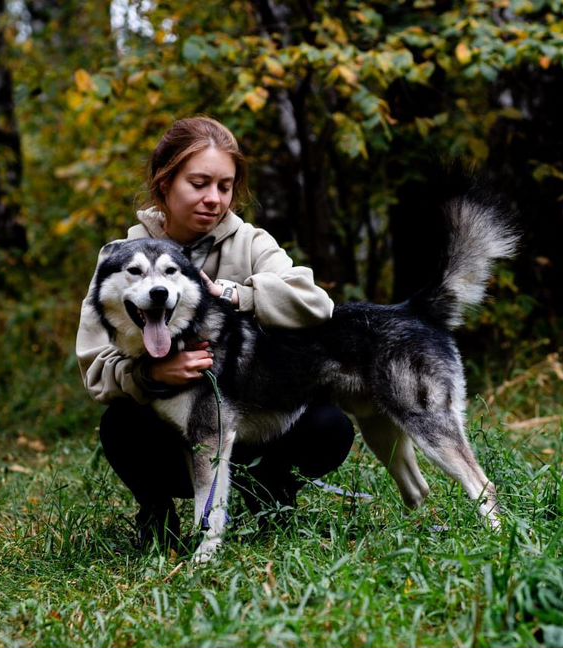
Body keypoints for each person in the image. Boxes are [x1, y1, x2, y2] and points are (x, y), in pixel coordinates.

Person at [75, 116, 355, 549]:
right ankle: (158, 514)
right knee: (120, 424)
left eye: (224, 187)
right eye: (199, 183)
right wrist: (151, 376)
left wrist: (232, 293)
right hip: (170, 433)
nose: (213, 199)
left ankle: (270, 498)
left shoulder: (250, 242)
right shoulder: (120, 257)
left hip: (253, 417)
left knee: (328, 424)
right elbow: (94, 368)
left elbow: (316, 303)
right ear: (165, 184)